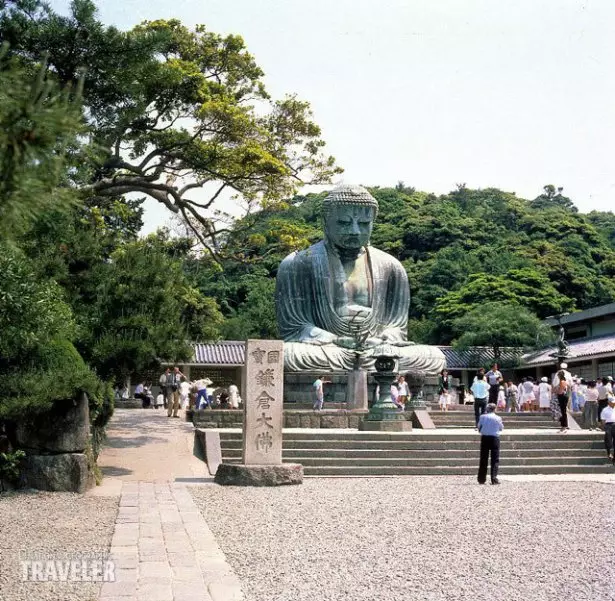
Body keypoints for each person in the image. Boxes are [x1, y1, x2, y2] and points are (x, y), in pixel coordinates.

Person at [276, 185, 446, 374]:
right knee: (287, 353)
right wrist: (335, 340)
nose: (355, 231)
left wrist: (382, 339)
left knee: (433, 356)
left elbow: (396, 327)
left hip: (376, 349)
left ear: (373, 223)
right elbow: (294, 329)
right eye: (344, 223)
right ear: (325, 221)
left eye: (364, 224)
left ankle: (369, 362)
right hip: (326, 348)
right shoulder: (297, 263)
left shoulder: (391, 266)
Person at [477, 403, 503, 485]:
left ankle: (481, 479)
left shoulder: (482, 417)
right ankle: (493, 478)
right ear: (495, 409)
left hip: (485, 438)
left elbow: (479, 427)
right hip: (495, 438)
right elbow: (501, 428)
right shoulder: (498, 418)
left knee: (483, 458)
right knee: (495, 459)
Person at [600, 395, 615, 461]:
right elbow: (603, 420)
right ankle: (609, 453)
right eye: (612, 402)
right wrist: (604, 427)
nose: (613, 403)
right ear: (609, 402)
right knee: (608, 440)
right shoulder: (605, 410)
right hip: (608, 425)